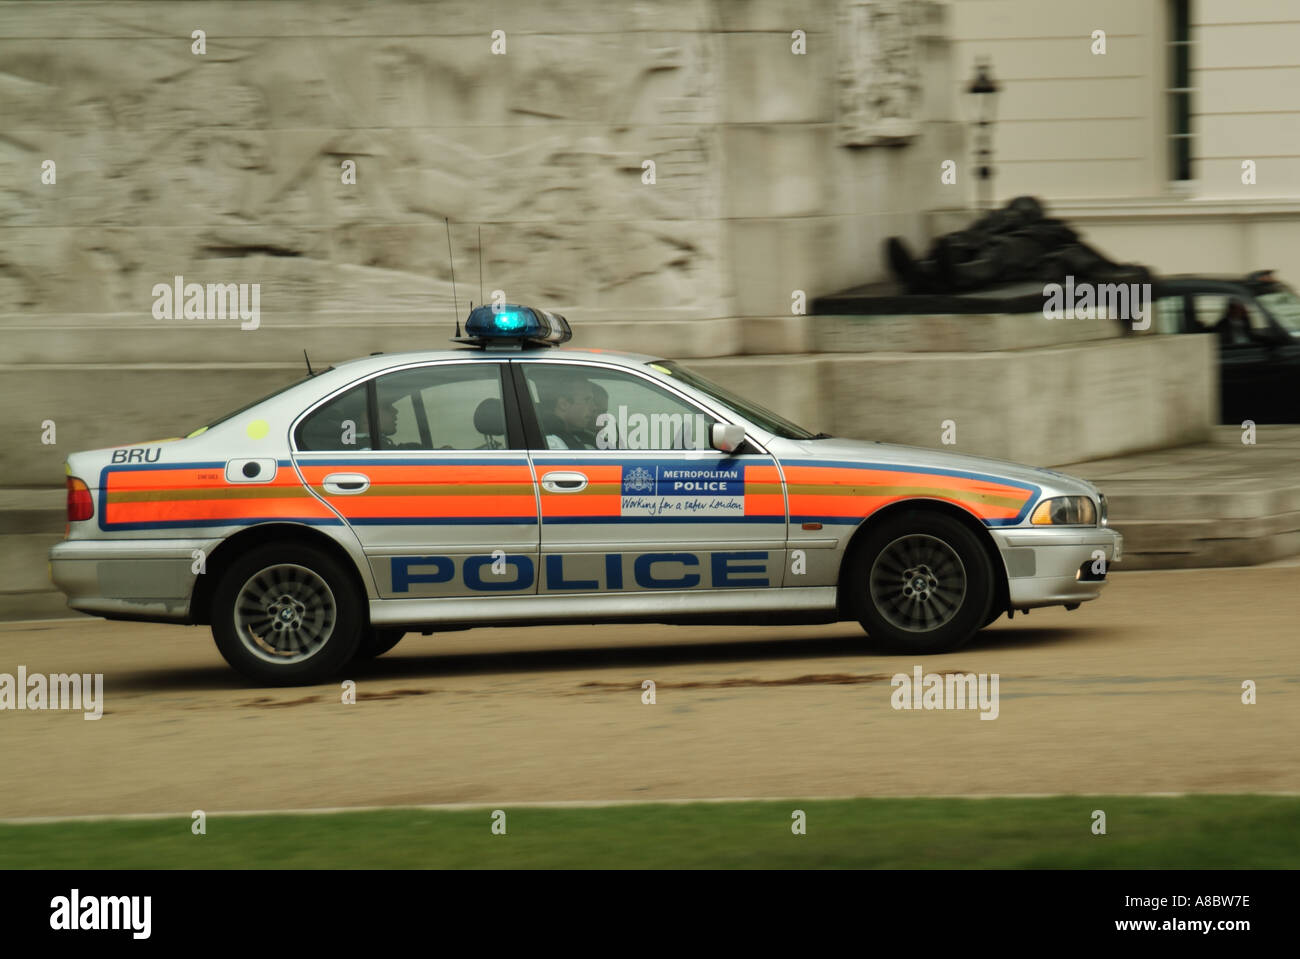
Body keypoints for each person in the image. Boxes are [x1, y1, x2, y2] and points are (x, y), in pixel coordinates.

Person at [539, 376, 600, 450]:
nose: (594, 408)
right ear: (563, 404)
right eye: (587, 400)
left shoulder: (572, 435)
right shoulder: (551, 441)